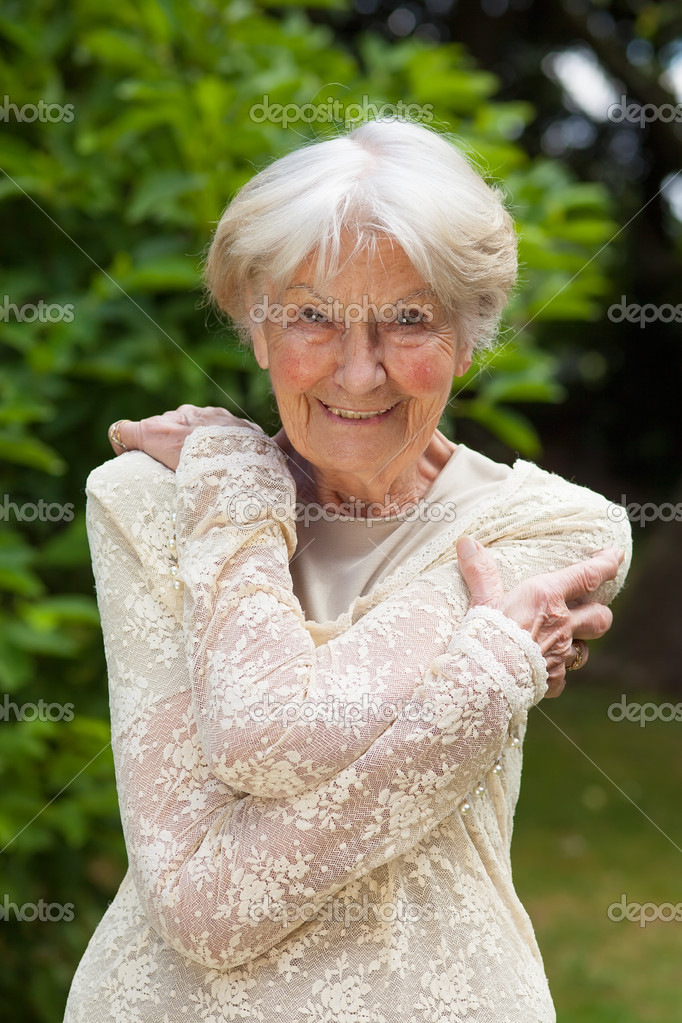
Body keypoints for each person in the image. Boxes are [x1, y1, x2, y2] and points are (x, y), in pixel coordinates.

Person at [64, 118, 631, 1023]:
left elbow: (264, 733)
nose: (359, 374)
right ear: (256, 325)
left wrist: (482, 673)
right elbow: (208, 904)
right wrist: (491, 665)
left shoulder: (551, 528)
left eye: (409, 320)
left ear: (472, 335)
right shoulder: (149, 500)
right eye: (312, 316)